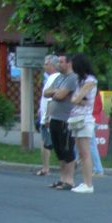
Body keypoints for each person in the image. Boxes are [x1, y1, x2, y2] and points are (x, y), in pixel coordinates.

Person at [43, 53, 79, 190]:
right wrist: (55, 91)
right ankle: (62, 178)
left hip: (66, 119)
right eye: (58, 61)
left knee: (67, 149)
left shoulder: (72, 78)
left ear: (69, 63)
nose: (59, 64)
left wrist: (56, 92)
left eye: (62, 62)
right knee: (58, 150)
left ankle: (69, 180)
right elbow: (46, 93)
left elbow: (60, 95)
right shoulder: (58, 78)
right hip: (55, 118)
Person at [67, 52, 98, 194]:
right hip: (76, 117)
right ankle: (85, 181)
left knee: (85, 152)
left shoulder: (90, 81)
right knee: (80, 151)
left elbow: (76, 98)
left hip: (85, 119)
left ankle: (88, 184)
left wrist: (78, 99)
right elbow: (76, 98)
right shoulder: (80, 80)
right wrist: (78, 99)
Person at [35, 55, 59, 177]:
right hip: (45, 113)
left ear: (53, 66)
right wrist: (41, 108)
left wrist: (48, 115)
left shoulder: (55, 78)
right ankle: (45, 166)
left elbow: (51, 97)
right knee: (45, 140)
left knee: (47, 142)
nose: (44, 66)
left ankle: (46, 167)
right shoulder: (49, 77)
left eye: (46, 64)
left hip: (49, 115)